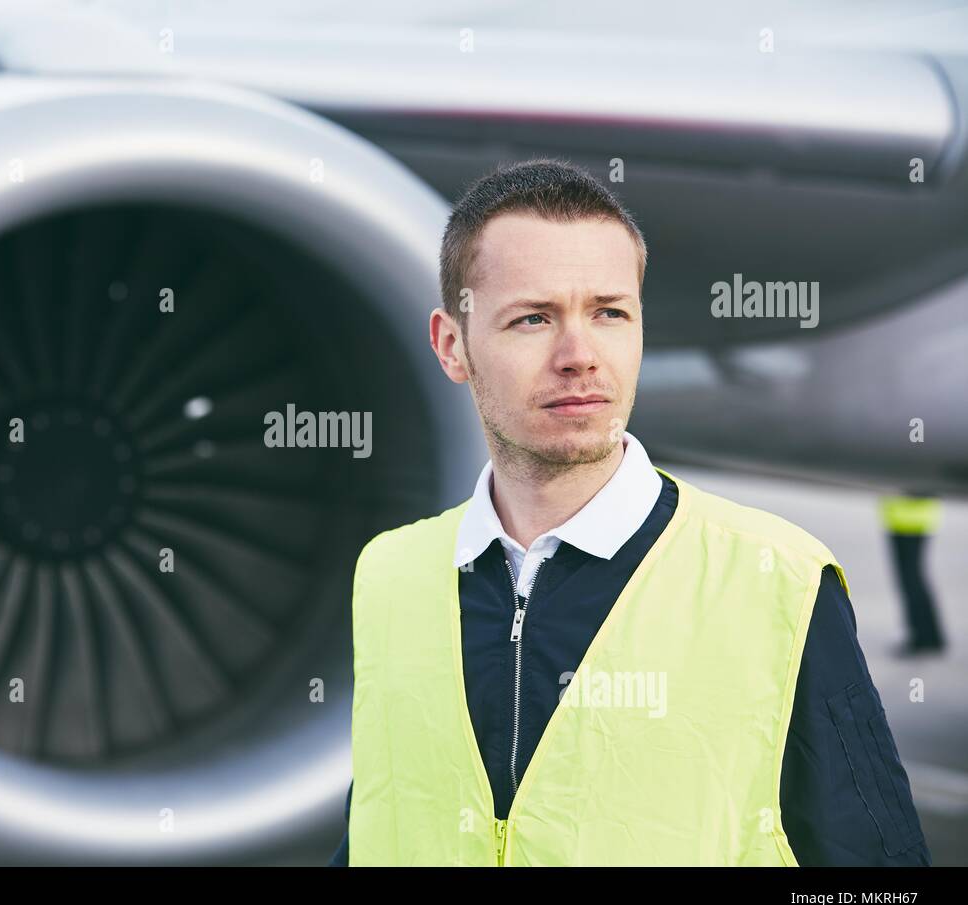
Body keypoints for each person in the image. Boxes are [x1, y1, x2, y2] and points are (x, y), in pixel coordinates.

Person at [331, 158, 929, 866]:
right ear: (452, 346)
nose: (580, 356)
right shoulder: (390, 576)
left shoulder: (777, 584)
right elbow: (386, 824)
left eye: (609, 313)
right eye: (533, 319)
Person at [879, 494, 948, 656]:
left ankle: (925, 638)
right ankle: (930, 635)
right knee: (913, 579)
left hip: (908, 522)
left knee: (911, 581)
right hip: (908, 520)